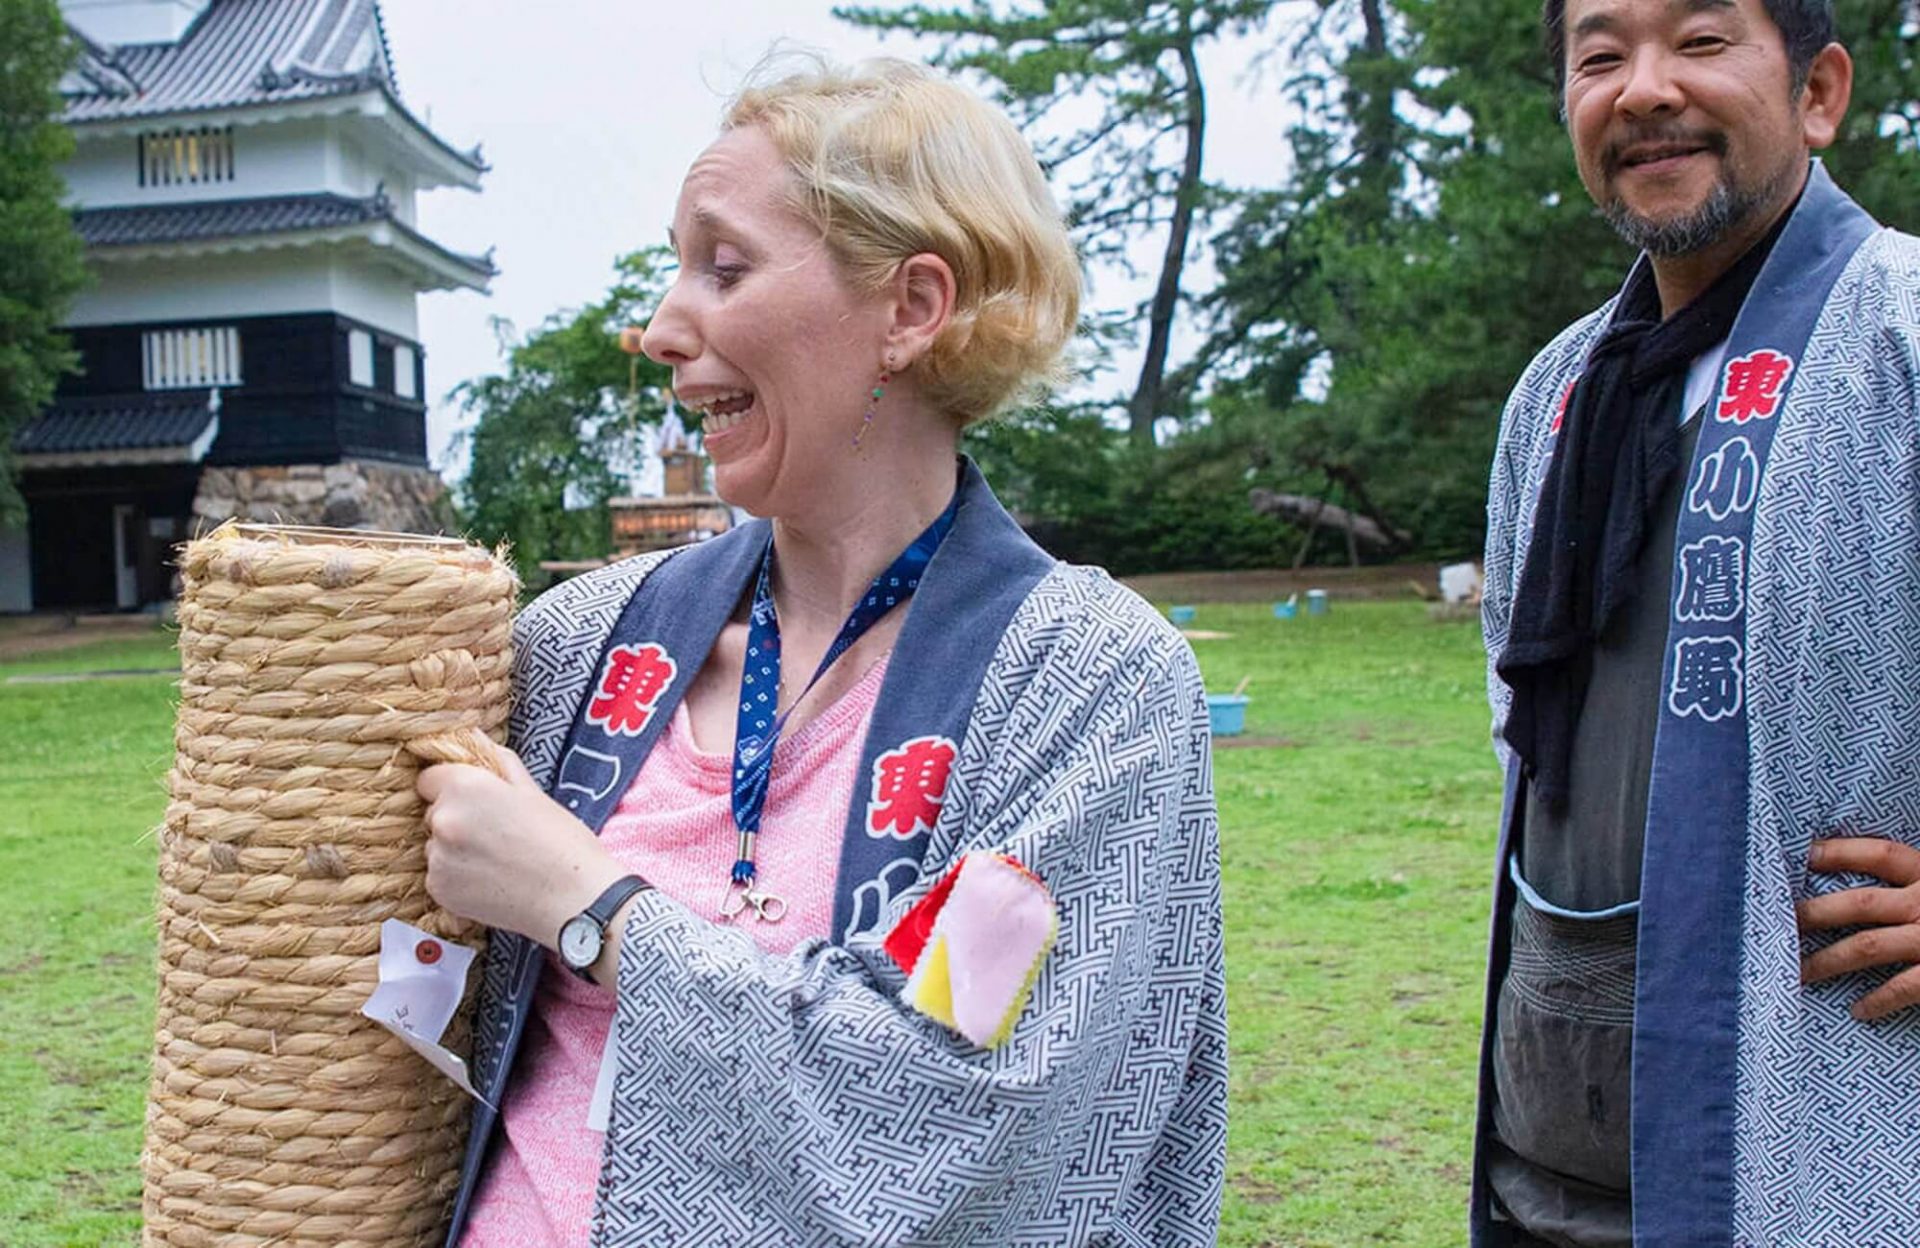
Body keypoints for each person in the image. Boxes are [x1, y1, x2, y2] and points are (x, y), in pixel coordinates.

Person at [414, 58, 1227, 1247]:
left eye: (724, 267)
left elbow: (958, 1116)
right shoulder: (579, 644)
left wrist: (586, 908)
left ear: (911, 309)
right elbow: (403, 1007)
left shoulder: (1088, 689)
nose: (658, 329)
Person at [1475, 1, 1920, 1244]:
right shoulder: (1560, 395)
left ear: (1820, 90)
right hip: (1542, 1157)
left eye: (1703, 41)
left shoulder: (1905, 338)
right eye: (1601, 57)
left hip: (1826, 1164)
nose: (1643, 90)